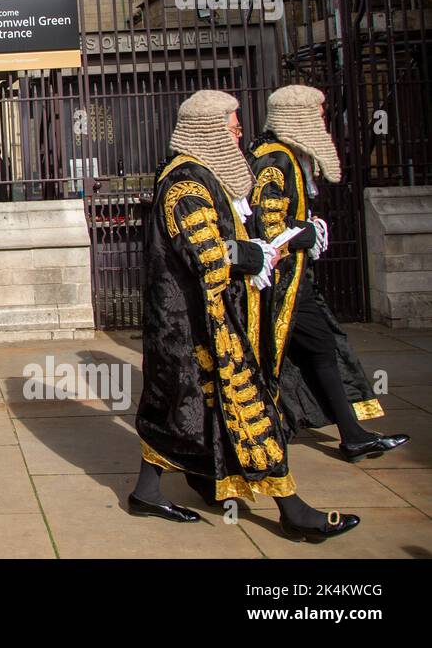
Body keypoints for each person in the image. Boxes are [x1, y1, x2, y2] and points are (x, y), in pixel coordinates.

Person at [129, 90, 359, 541]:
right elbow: (203, 254)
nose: (239, 133)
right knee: (247, 408)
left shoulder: (206, 174)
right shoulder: (186, 182)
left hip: (207, 318)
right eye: (232, 127)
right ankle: (292, 508)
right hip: (196, 323)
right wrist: (250, 255)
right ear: (209, 130)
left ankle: (146, 493)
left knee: (180, 408)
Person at [250, 85, 408, 462]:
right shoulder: (275, 160)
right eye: (317, 114)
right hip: (283, 285)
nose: (323, 121)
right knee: (291, 355)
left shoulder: (289, 156)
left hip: (297, 281)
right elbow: (269, 228)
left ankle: (351, 434)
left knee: (320, 350)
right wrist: (309, 230)